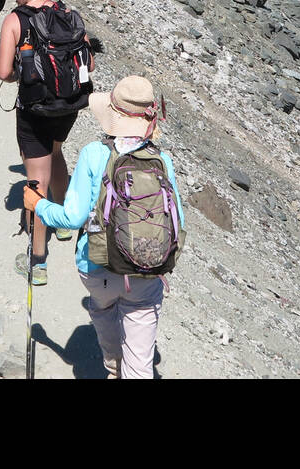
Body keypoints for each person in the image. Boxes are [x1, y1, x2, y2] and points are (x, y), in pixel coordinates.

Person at [23, 75, 182, 379]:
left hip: (97, 268)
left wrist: (39, 205)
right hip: (146, 274)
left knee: (103, 309)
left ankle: (113, 366)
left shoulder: (94, 154)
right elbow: (179, 224)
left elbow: (72, 218)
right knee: (140, 364)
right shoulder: (163, 161)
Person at [0, 0, 94, 286]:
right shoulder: (68, 14)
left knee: (35, 181)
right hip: (68, 107)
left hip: (35, 110)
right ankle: (64, 222)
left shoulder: (15, 20)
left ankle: (37, 262)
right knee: (56, 151)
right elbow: (88, 62)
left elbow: (3, 72)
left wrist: (27, 78)